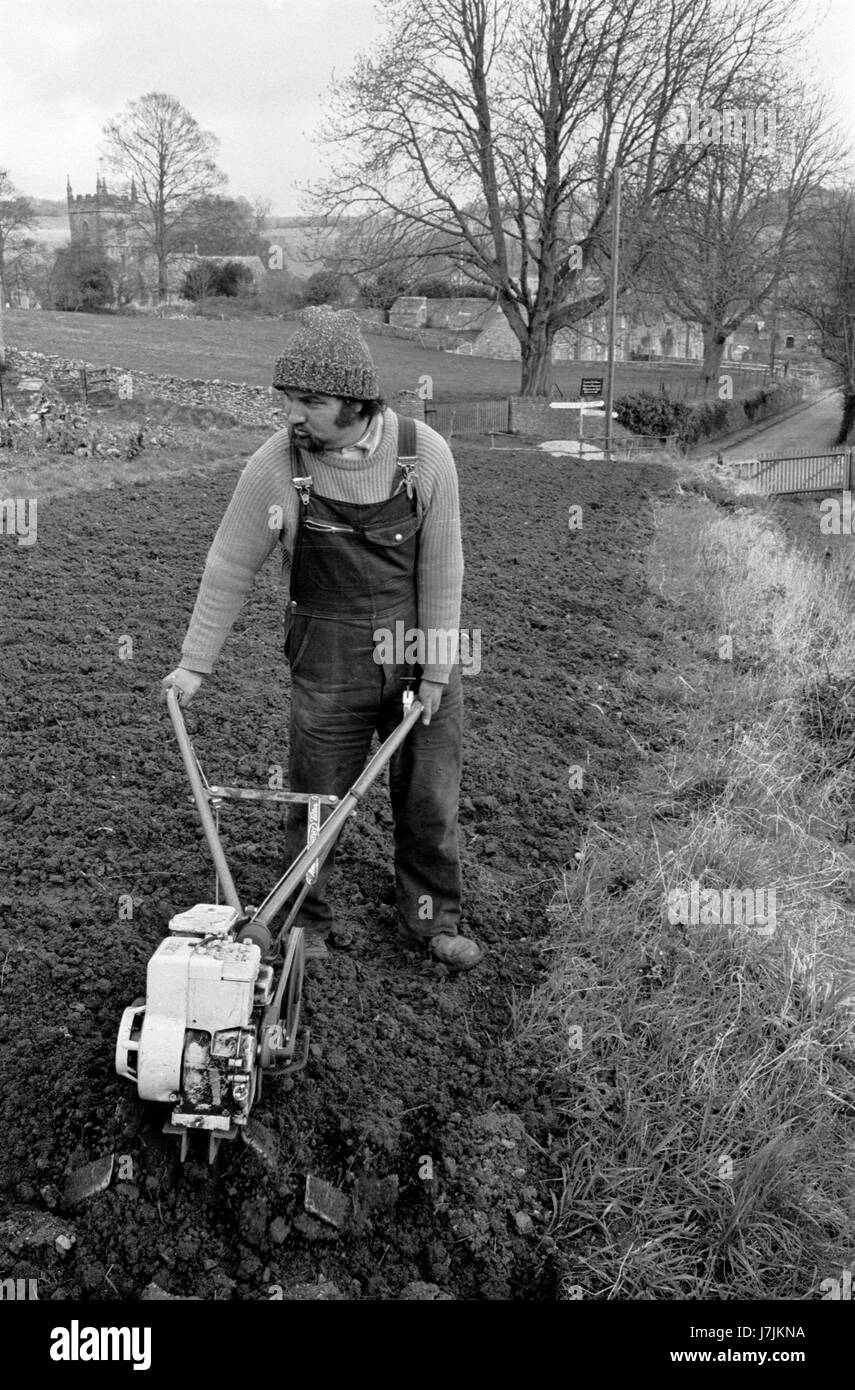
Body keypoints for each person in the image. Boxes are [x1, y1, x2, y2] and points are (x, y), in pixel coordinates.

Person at [161, 306, 482, 972]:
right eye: (289, 398)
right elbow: (229, 563)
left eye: (311, 400)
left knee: (428, 795)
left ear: (357, 401)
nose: (294, 414)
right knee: (316, 799)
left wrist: (434, 673)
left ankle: (431, 920)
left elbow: (443, 567)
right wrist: (195, 665)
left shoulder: (422, 455)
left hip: (413, 649)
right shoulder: (276, 465)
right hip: (326, 657)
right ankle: (304, 923)